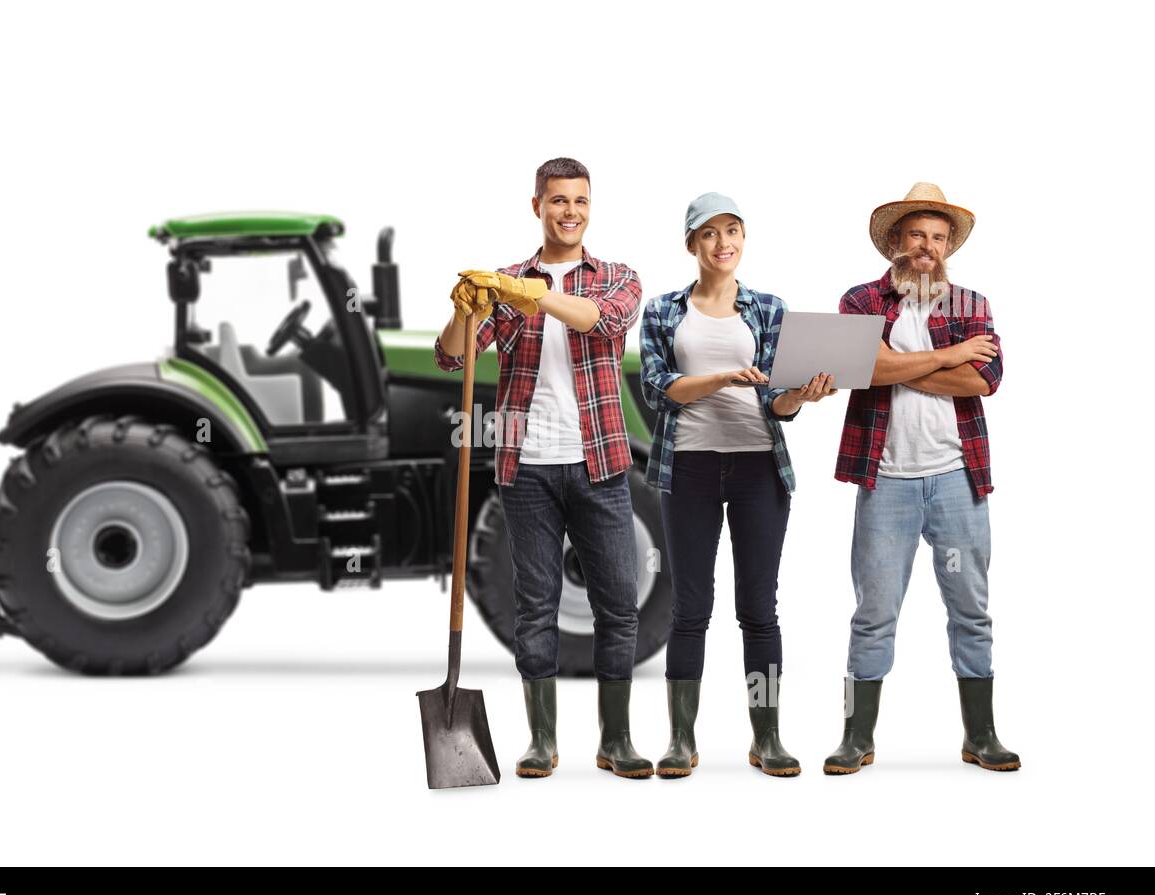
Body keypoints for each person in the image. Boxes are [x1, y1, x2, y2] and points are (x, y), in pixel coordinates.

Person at [435, 157, 653, 779]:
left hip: (599, 461)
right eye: (558, 201)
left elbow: (603, 324)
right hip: (525, 466)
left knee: (618, 604)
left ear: (590, 207)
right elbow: (453, 358)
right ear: (537, 205)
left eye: (579, 201)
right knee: (535, 606)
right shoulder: (503, 281)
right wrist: (465, 309)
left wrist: (531, 293)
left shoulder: (617, 278)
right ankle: (541, 741)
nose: (570, 212)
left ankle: (616, 740)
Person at [639, 192, 837, 778]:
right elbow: (659, 388)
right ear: (691, 244)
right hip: (689, 467)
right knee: (689, 609)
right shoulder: (663, 310)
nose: (723, 243)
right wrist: (721, 377)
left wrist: (800, 396)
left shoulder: (770, 308)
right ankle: (681, 740)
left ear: (743, 239)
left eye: (733, 232)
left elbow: (776, 398)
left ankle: (767, 738)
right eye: (709, 234)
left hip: (758, 469)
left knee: (759, 609)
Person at [824, 182, 1020, 774]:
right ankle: (857, 737)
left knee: (970, 607)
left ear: (948, 246)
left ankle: (980, 735)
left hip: (958, 477)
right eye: (916, 235)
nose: (927, 247)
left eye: (938, 237)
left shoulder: (969, 303)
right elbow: (864, 368)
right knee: (874, 610)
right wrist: (944, 357)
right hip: (886, 480)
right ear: (895, 242)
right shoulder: (861, 301)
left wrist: (895, 367)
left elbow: (984, 383)